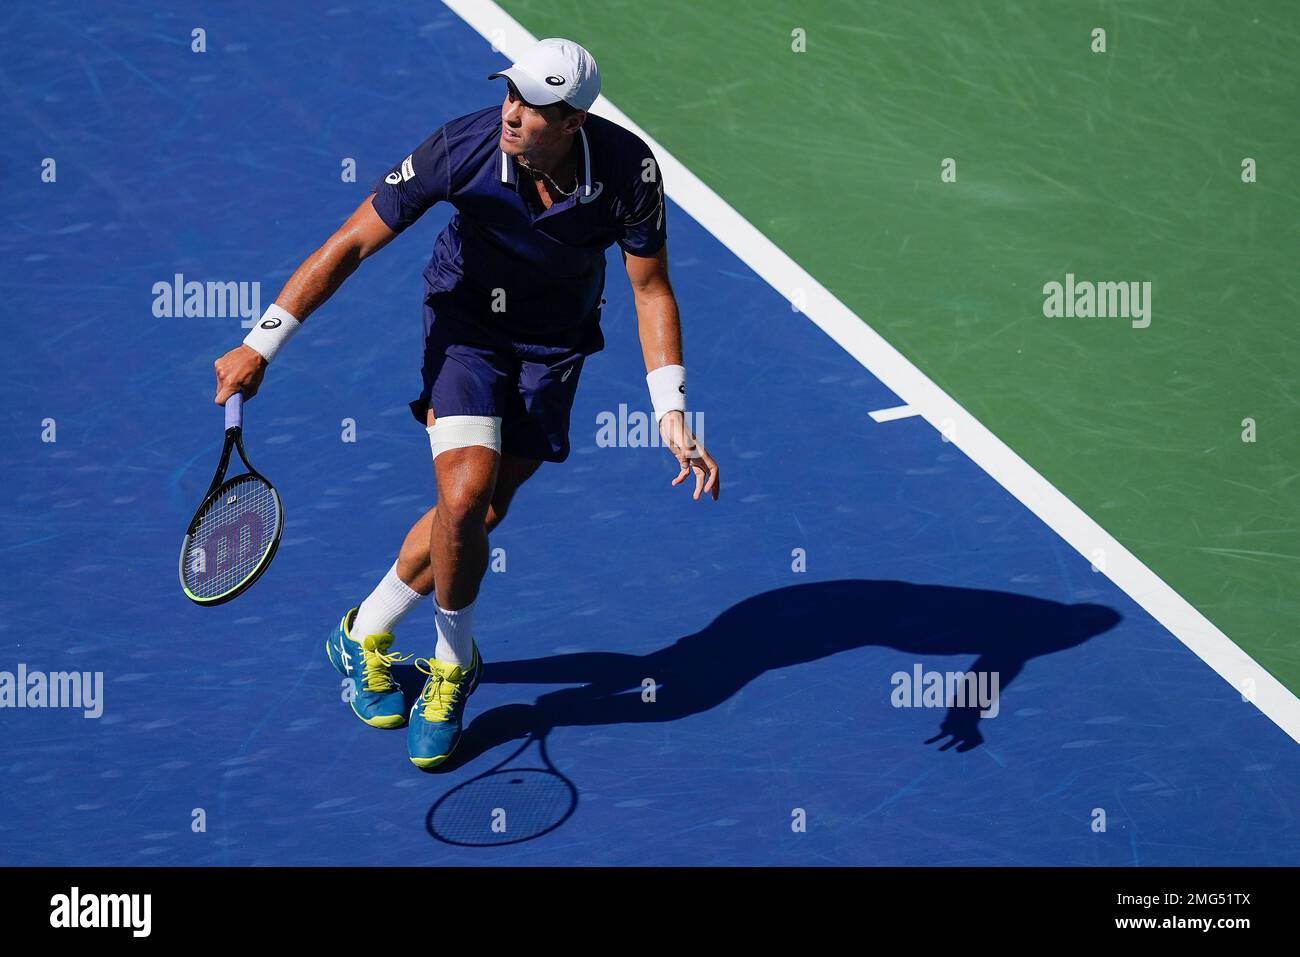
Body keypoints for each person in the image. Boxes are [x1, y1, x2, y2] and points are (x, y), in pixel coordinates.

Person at [211, 37, 719, 769]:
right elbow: (353, 242)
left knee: (478, 516)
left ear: (573, 120)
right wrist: (263, 342)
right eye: (510, 95)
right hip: (467, 330)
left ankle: (362, 631)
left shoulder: (628, 169)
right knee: (463, 494)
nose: (512, 114)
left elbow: (649, 288)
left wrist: (670, 409)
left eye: (534, 107)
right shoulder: (464, 146)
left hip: (556, 346)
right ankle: (453, 668)